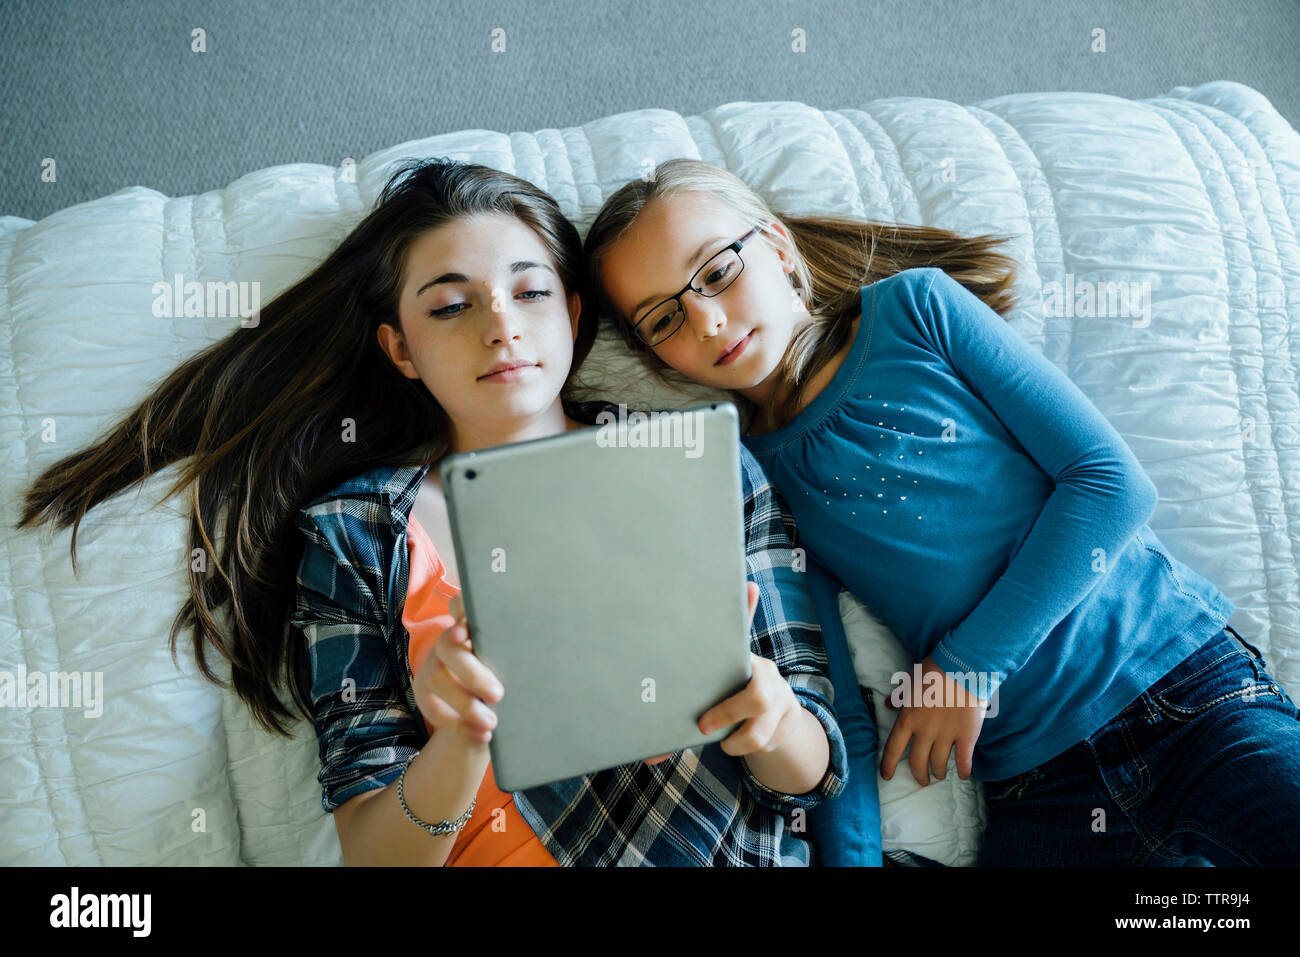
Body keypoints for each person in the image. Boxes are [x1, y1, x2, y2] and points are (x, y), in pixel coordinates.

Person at [18, 157, 848, 866]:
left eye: (529, 292)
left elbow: (815, 770)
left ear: (573, 315)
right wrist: (458, 740)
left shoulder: (698, 462)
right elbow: (378, 853)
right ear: (401, 348)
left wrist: (769, 713)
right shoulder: (353, 534)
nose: (500, 328)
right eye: (451, 306)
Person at [581, 157, 1300, 866]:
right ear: (656, 357)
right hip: (1042, 787)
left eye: (717, 271)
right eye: (665, 317)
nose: (705, 319)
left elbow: (1109, 486)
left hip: (1184, 692)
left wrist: (964, 669)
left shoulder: (915, 310)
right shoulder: (754, 477)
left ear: (775, 248)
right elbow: (836, 710)